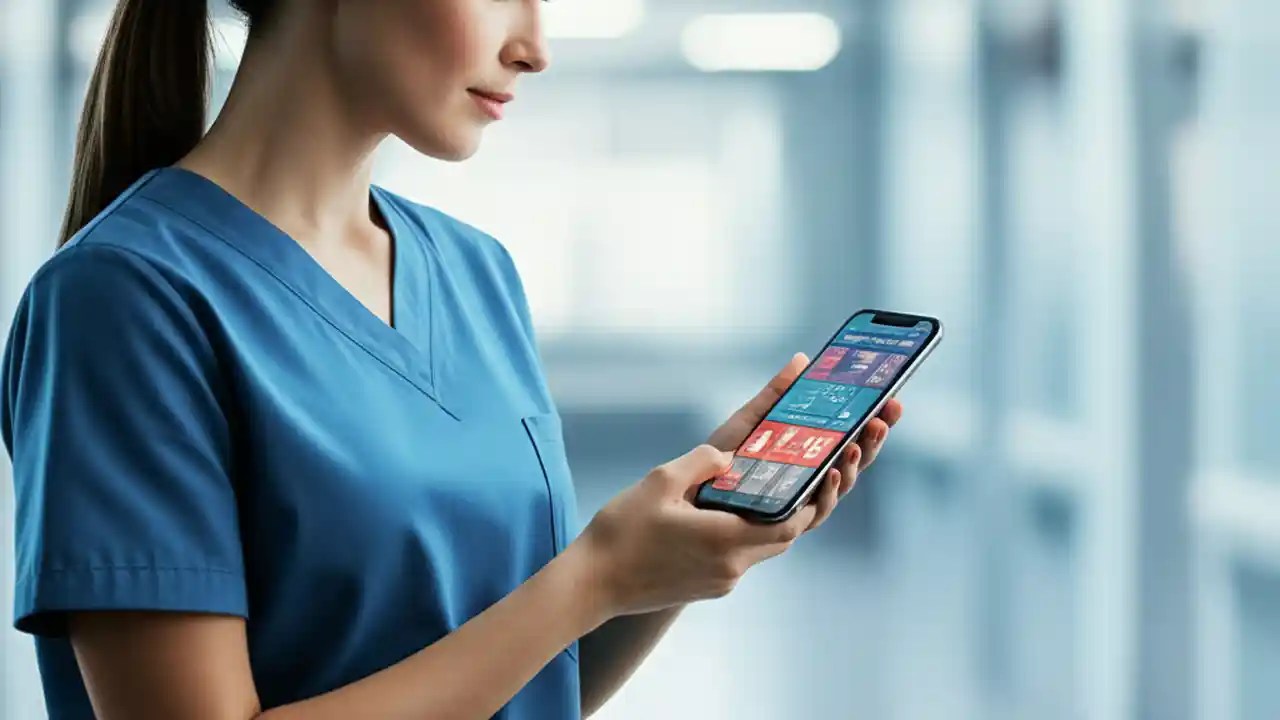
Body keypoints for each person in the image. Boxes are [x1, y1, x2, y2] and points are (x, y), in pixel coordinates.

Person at [0, 1, 904, 718]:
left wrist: (665, 562)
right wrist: (594, 576)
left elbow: (520, 687)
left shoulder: (475, 272)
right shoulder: (124, 299)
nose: (535, 45)